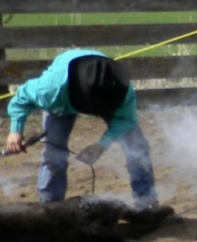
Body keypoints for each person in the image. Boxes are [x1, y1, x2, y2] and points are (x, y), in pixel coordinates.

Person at [4, 49, 157, 206]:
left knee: (137, 146)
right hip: (63, 101)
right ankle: (50, 206)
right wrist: (16, 130)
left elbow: (125, 121)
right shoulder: (50, 89)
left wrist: (101, 145)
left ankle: (145, 201)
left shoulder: (120, 90)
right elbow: (20, 99)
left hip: (100, 96)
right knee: (54, 155)